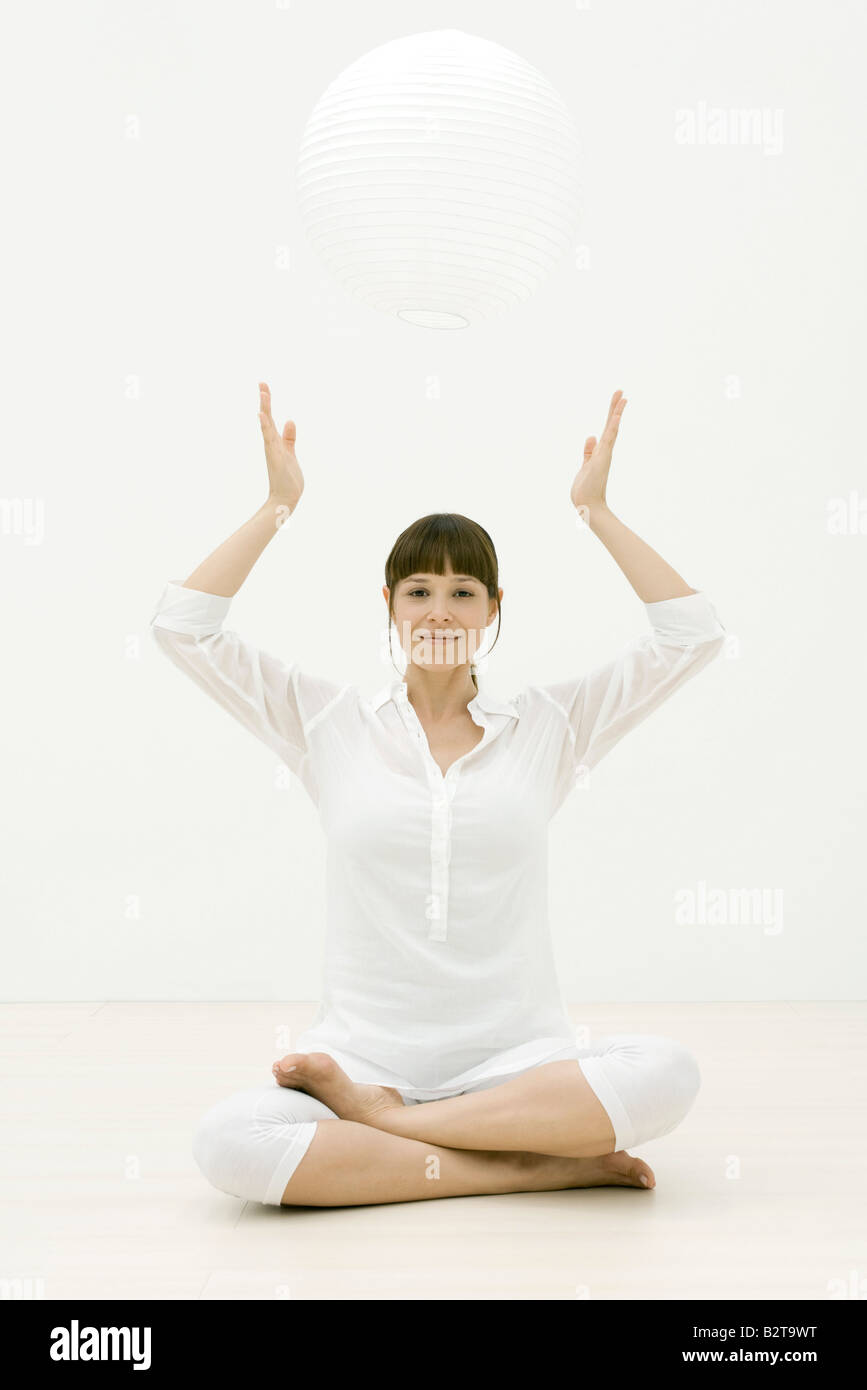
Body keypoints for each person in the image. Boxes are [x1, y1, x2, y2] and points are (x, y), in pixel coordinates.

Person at [150, 383, 726, 1208]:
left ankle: (385, 1130)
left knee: (669, 1074)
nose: (440, 609)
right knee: (229, 1145)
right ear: (388, 607)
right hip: (361, 1057)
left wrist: (593, 511)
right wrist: (278, 506)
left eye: (464, 592)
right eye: (418, 590)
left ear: (494, 609)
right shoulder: (329, 721)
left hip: (518, 1065)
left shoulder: (548, 727)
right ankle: (531, 1166)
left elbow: (693, 635)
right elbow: (182, 628)